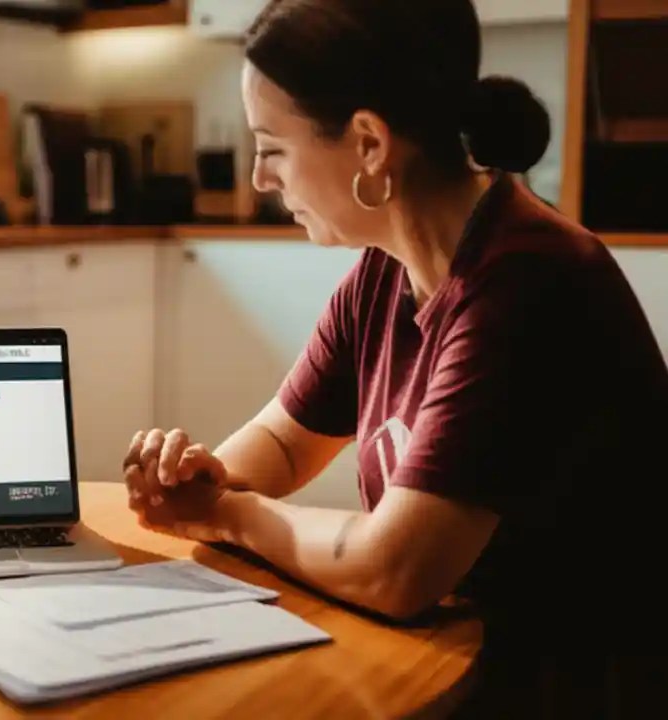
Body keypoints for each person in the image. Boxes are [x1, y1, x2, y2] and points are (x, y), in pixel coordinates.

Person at [121, 0, 668, 716]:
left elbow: (394, 571)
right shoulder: (388, 271)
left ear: (370, 145)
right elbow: (286, 443)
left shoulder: (527, 280)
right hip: (468, 659)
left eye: (272, 147)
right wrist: (194, 479)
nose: (259, 178)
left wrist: (226, 514)